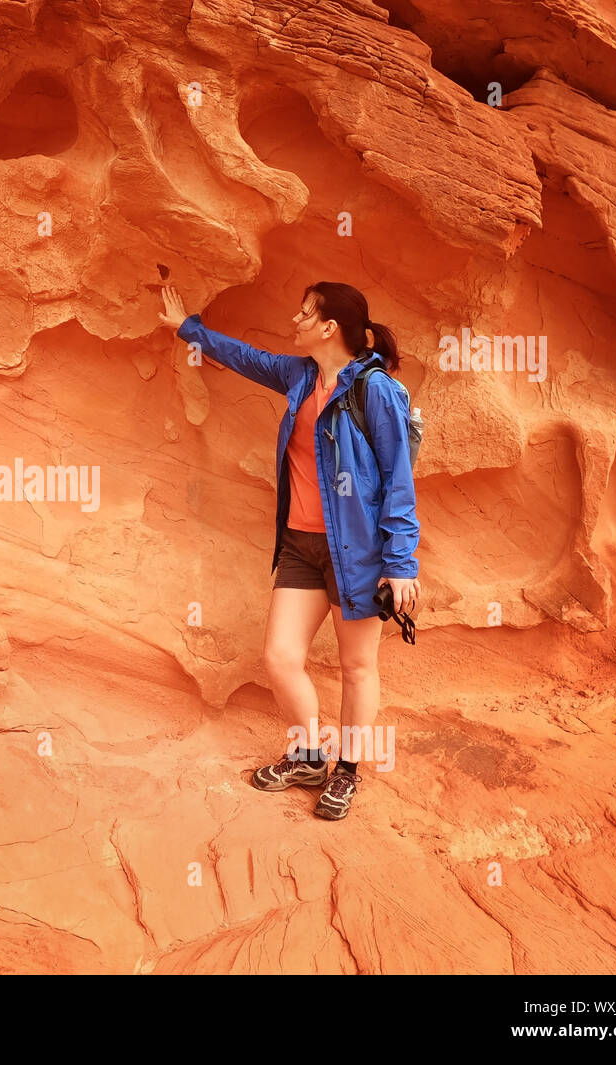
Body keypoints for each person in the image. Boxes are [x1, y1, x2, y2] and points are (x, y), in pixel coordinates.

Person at [158, 282, 421, 820]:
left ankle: (346, 771)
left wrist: (400, 565)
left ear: (329, 328)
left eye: (306, 312)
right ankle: (308, 756)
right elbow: (246, 358)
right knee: (280, 658)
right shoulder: (300, 377)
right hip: (301, 545)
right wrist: (188, 328)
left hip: (360, 553)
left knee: (356, 666)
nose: (294, 318)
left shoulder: (377, 391)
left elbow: (398, 482)